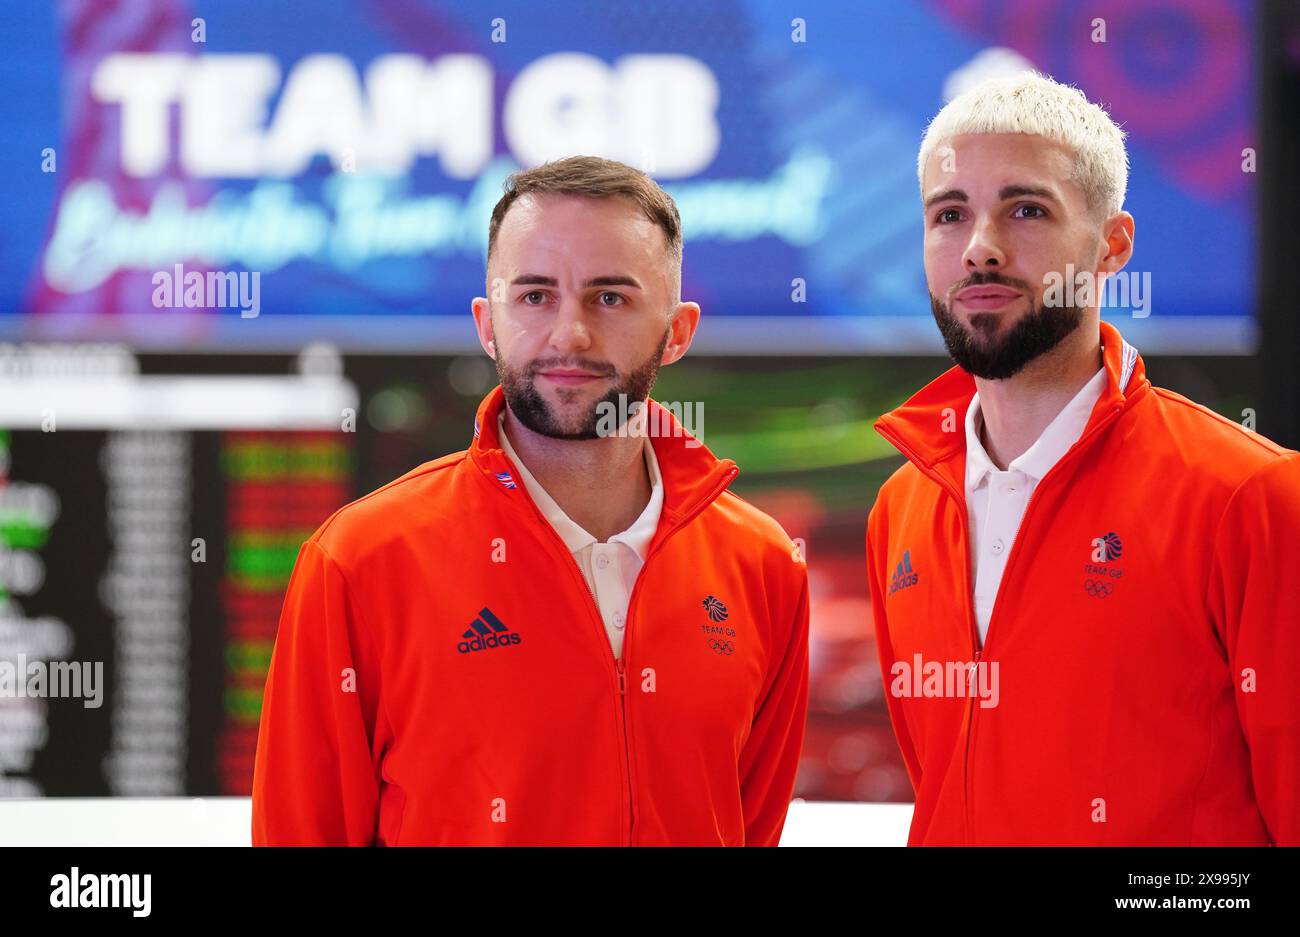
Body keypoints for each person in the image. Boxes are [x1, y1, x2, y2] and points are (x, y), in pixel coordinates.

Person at [252, 156, 810, 846]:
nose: (569, 333)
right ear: (487, 324)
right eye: (535, 296)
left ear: (677, 331)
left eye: (611, 297)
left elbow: (747, 830)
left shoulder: (763, 565)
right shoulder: (359, 560)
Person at [867, 72, 1300, 845]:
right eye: (949, 214)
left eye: (1025, 210)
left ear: (1113, 245)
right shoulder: (900, 508)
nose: (981, 249)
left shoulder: (1253, 494)